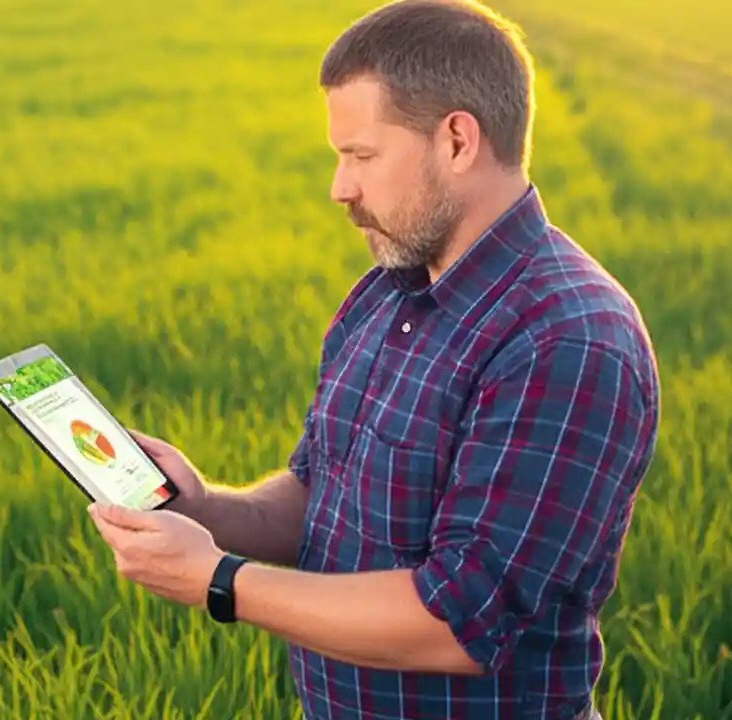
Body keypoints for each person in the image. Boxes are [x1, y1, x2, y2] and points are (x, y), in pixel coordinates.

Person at [86, 0, 661, 718]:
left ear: (457, 140)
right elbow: (320, 494)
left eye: (361, 155)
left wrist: (218, 579)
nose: (339, 187)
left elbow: (460, 619)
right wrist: (208, 510)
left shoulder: (566, 340)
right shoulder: (386, 295)